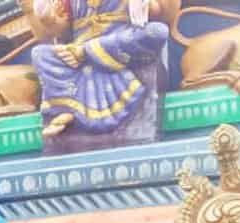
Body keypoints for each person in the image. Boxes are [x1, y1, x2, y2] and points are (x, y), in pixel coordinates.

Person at [31, 0, 169, 138]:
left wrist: (142, 4)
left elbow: (154, 13)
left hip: (113, 44)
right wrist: (51, 19)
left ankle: (87, 53)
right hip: (77, 51)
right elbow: (61, 29)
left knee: (156, 31)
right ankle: (66, 107)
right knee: (40, 53)